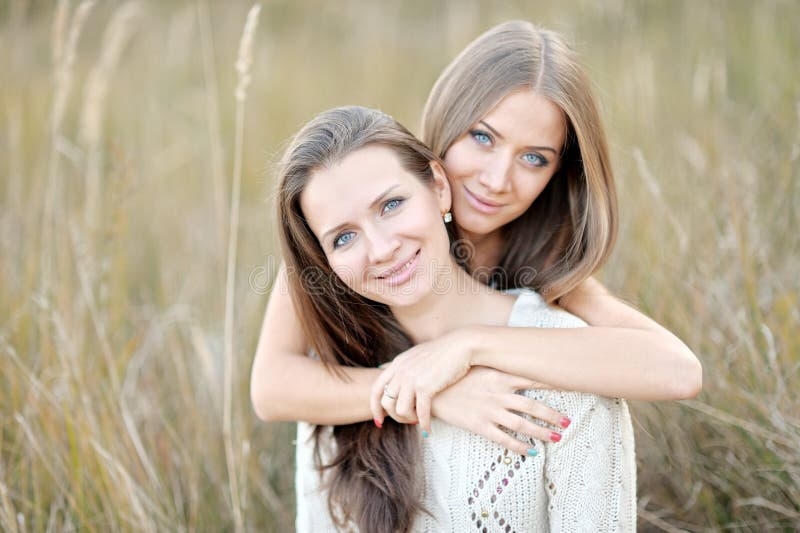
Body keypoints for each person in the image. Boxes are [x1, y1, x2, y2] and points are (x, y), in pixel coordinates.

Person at [251, 20, 701, 447]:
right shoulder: (366, 213)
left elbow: (677, 370)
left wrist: (468, 347)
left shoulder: (544, 263)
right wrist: (426, 391)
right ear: (448, 120)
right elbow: (271, 388)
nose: (497, 179)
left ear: (557, 176)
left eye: (534, 159)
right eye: (483, 138)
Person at [279, 105, 636, 532]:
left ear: (439, 187)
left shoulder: (571, 366)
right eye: (344, 237)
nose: (380, 249)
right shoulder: (333, 384)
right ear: (327, 260)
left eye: (391, 204)